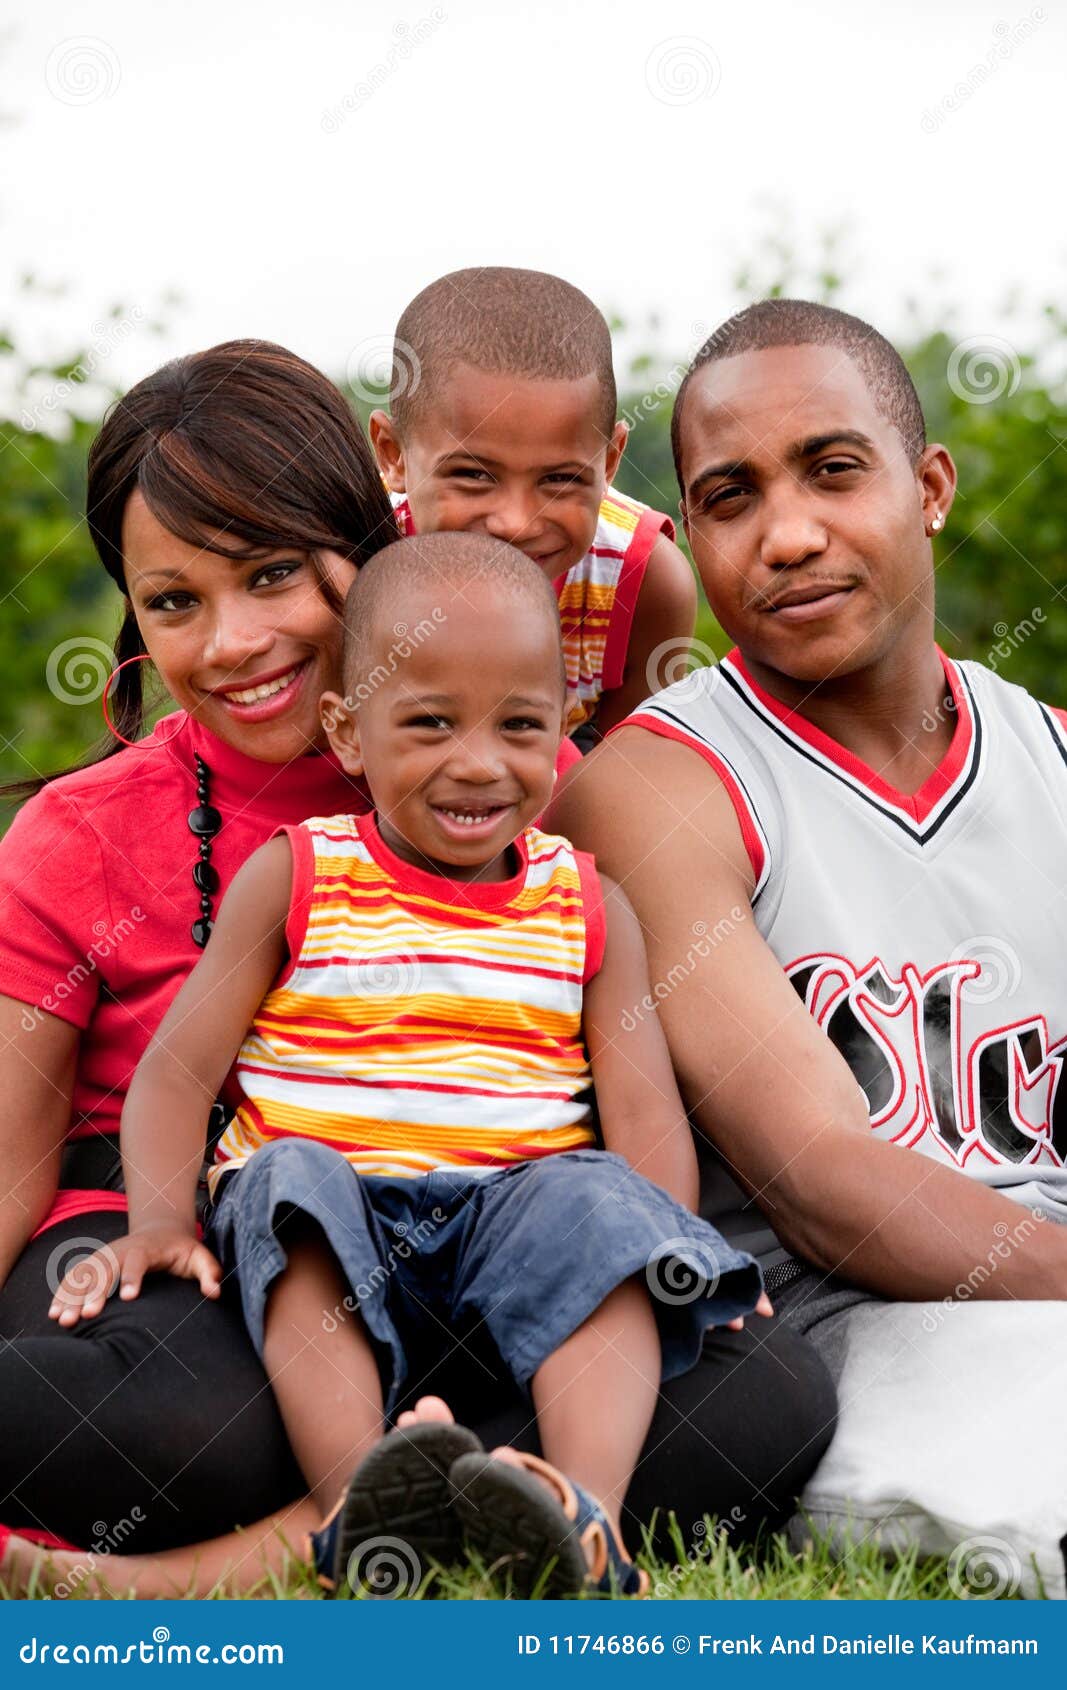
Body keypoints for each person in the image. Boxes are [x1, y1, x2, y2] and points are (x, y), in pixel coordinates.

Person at [0, 338, 836, 1600]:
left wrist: (664, 1252)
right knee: (187, 1413)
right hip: (216, 1273)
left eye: (274, 573)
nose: (234, 641)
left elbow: (622, 559)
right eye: (174, 602)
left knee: (760, 1400)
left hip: (506, 1242)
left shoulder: (508, 800)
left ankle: (401, 1512)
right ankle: (357, 1507)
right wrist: (145, 1237)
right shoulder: (86, 833)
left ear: (363, 542)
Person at [550, 297, 1067, 1600]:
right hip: (856, 1335)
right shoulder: (658, 785)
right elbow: (825, 1180)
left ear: (929, 485)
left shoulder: (1051, 757)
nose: (785, 534)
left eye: (832, 469)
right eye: (728, 497)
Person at [369, 266, 697, 743]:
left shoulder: (640, 579)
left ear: (609, 463)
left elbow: (634, 774)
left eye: (560, 481)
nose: (518, 524)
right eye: (473, 476)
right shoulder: (359, 551)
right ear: (393, 455)